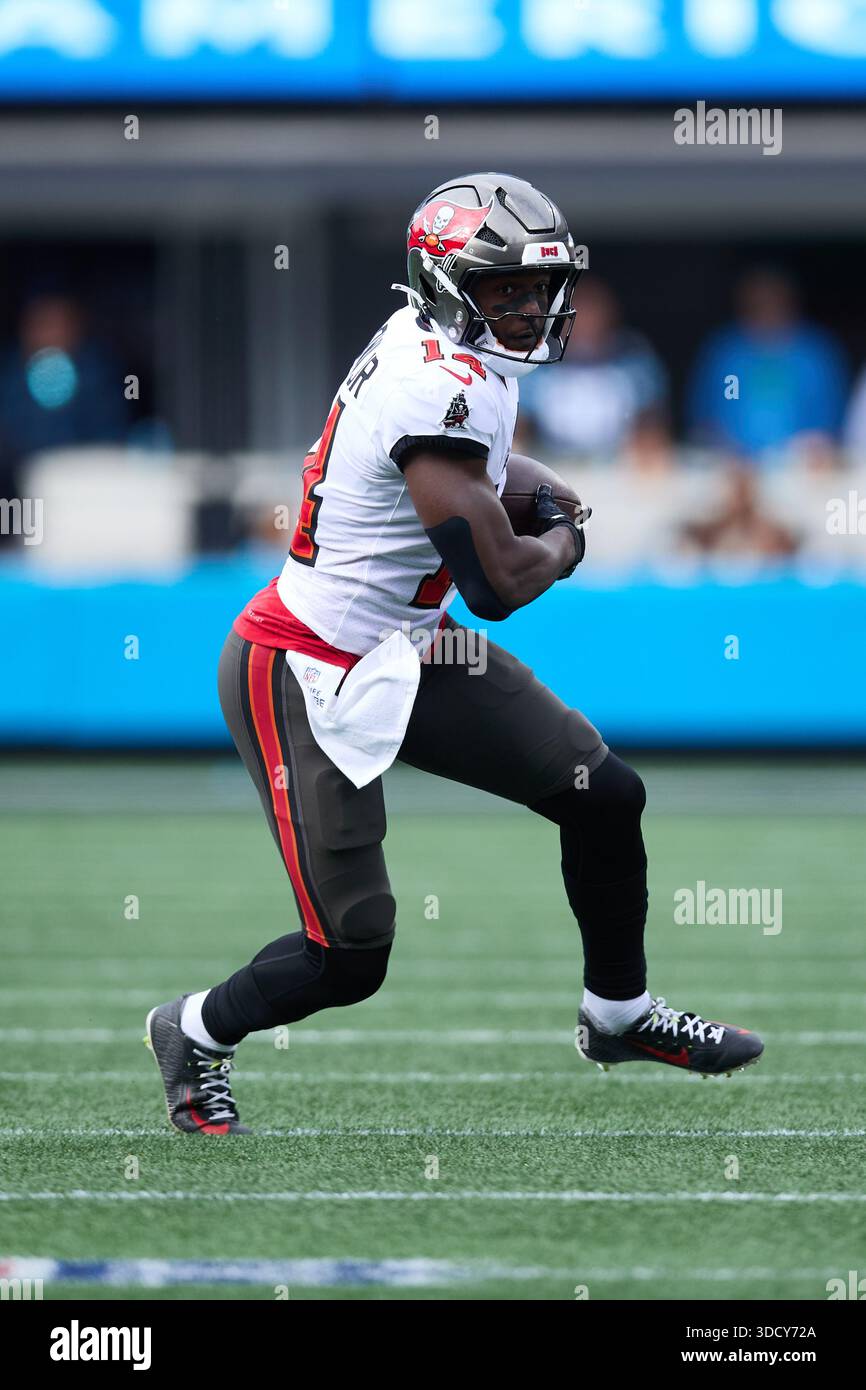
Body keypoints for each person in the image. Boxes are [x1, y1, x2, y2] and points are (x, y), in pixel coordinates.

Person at [144, 172, 762, 1135]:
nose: (527, 310)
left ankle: (620, 1016)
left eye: (536, 288)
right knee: (350, 952)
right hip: (308, 669)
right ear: (446, 284)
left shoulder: (436, 349)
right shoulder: (436, 381)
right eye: (504, 288)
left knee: (605, 794)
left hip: (409, 643)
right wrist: (568, 537)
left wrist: (527, 479)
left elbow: (456, 463)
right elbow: (499, 584)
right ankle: (192, 1029)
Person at [686, 268, 848, 465]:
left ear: (790, 304)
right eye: (757, 303)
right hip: (735, 469)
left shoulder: (815, 354)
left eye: (773, 301)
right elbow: (710, 416)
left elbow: (832, 423)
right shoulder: (727, 354)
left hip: (802, 470)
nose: (766, 309)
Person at [515, 276, 669, 467]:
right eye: (576, 315)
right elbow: (517, 430)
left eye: (592, 313)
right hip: (553, 468)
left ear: (610, 317)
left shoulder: (633, 363)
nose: (585, 323)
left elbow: (652, 427)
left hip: (619, 469)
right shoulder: (538, 364)